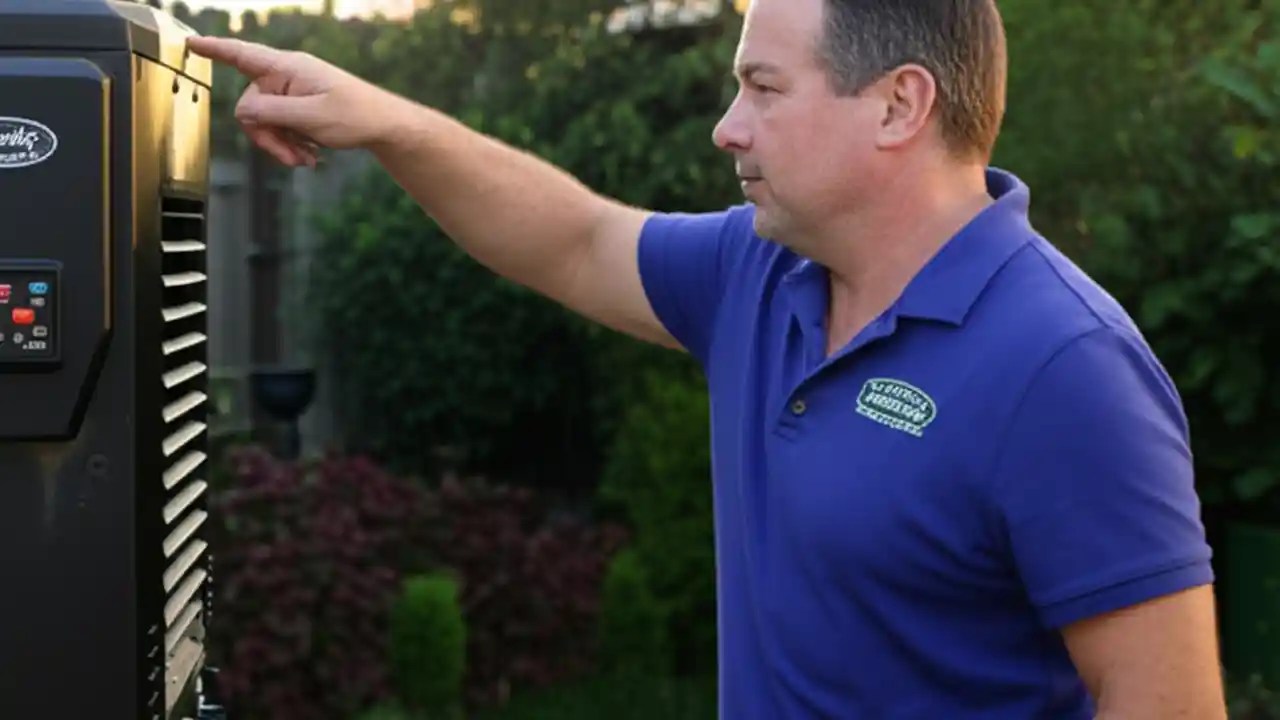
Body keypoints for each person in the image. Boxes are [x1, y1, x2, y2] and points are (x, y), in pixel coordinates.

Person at [189, 0, 1229, 717]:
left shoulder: (1064, 369)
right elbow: (577, 238)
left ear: (897, 105)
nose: (727, 127)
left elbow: (1168, 706)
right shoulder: (757, 275)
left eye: (762, 88)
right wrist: (387, 122)